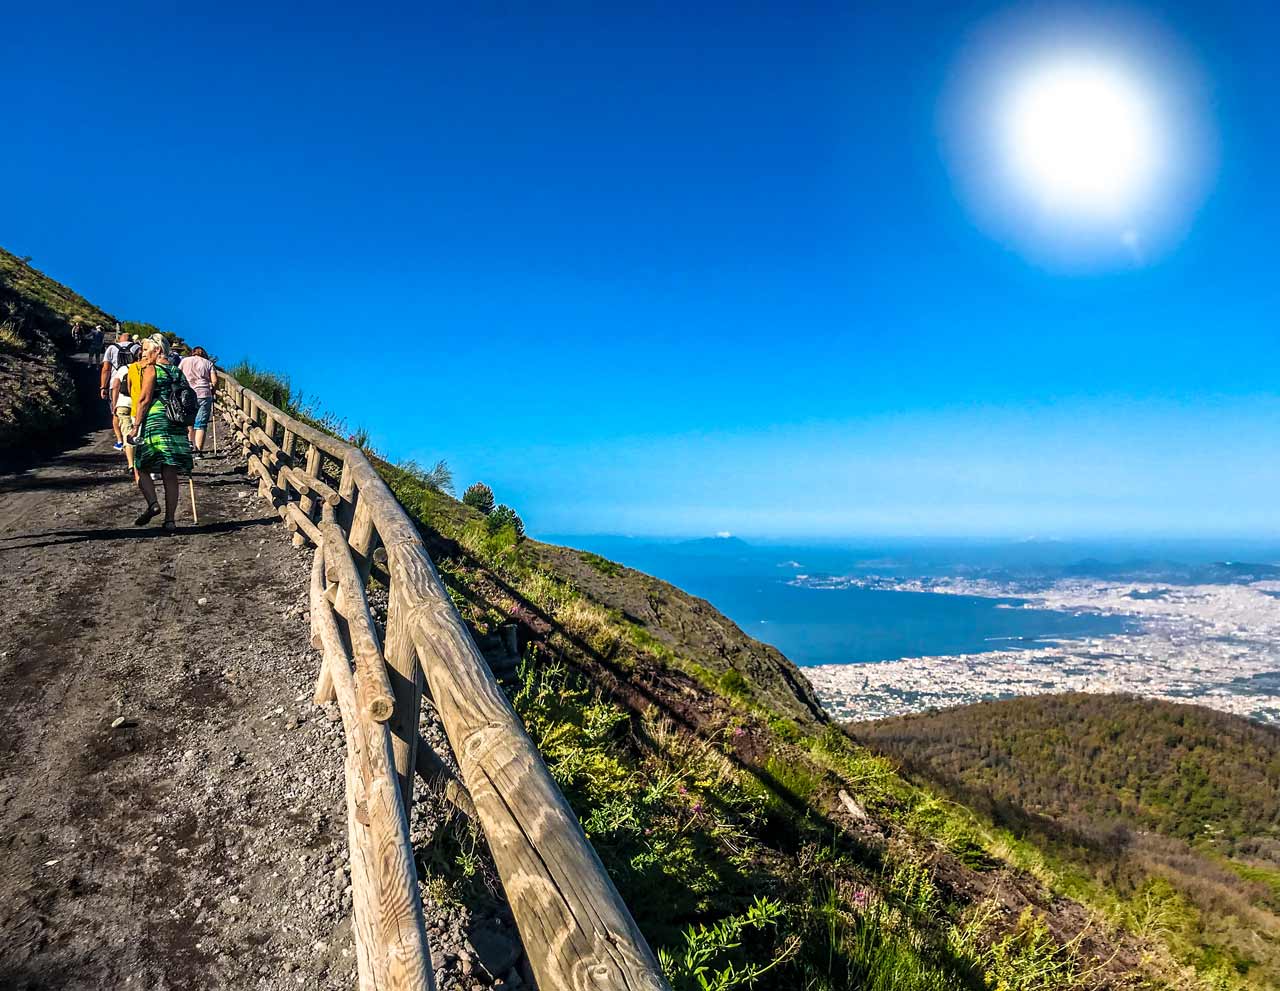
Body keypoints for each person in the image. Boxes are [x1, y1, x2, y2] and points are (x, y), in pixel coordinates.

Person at [128, 335, 193, 530]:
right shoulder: (178, 372)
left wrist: (135, 425)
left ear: (157, 351)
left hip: (156, 421)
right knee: (170, 472)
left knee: (141, 465)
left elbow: (144, 399)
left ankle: (153, 503)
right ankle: (170, 520)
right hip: (176, 424)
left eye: (147, 349)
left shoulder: (152, 369)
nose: (144, 354)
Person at [99, 332, 138, 450]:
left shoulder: (112, 348)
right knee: (135, 410)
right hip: (135, 382)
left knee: (116, 412)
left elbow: (106, 369)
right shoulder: (137, 347)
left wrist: (103, 387)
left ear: (119, 339)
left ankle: (120, 440)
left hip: (115, 383)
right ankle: (134, 436)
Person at [178, 346, 218, 457]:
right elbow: (214, 381)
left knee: (188, 419)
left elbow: (178, 375)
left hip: (188, 393)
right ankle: (199, 451)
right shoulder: (208, 363)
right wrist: (213, 392)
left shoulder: (184, 361)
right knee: (200, 423)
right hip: (204, 393)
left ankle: (189, 443)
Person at [108, 361, 136, 473]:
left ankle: (131, 464)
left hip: (123, 403)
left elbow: (115, 387)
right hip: (137, 404)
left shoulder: (124, 368)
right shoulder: (146, 369)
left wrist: (114, 404)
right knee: (138, 432)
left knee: (127, 433)